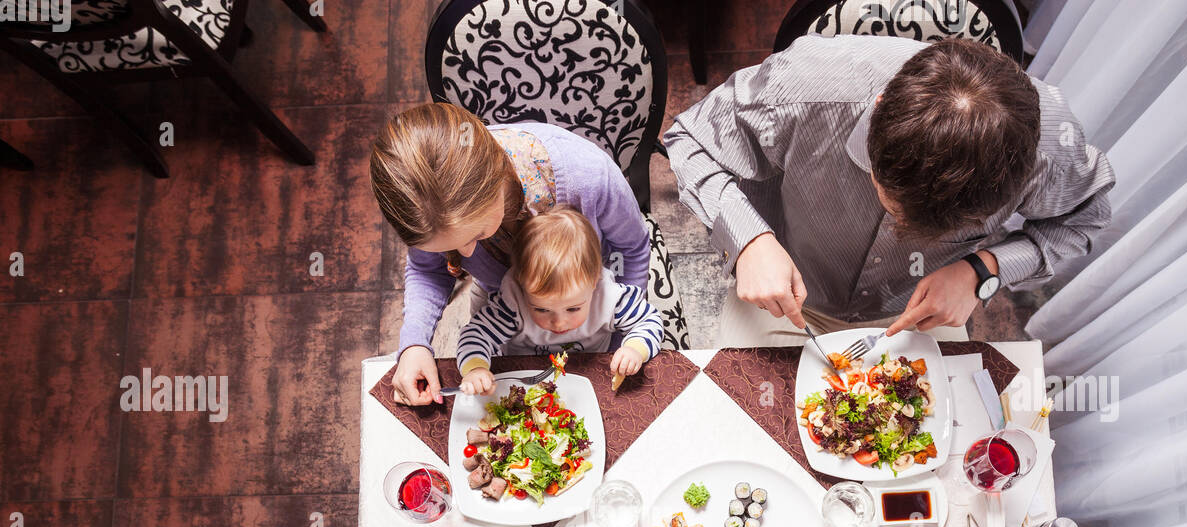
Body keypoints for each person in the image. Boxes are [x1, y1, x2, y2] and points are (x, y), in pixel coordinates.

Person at [664, 36, 1115, 346]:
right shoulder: (803, 85)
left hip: (922, 309)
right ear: (878, 112)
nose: (902, 228)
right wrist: (749, 242)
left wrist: (982, 269)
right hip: (786, 291)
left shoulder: (1053, 151)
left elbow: (1085, 221)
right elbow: (690, 138)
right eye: (888, 198)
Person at [370, 103, 652, 405]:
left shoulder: (588, 174)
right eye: (447, 249)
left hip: (587, 294)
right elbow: (428, 270)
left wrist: (623, 341)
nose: (466, 256)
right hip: (504, 310)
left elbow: (631, 250)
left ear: (497, 185)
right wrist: (415, 344)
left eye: (477, 235)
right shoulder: (427, 203)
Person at [455, 208, 664, 394]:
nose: (559, 322)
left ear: (593, 283)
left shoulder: (608, 297)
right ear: (522, 285)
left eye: (573, 308)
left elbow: (650, 321)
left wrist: (635, 349)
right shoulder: (514, 303)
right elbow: (475, 334)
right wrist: (476, 368)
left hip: (589, 377)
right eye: (542, 309)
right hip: (525, 382)